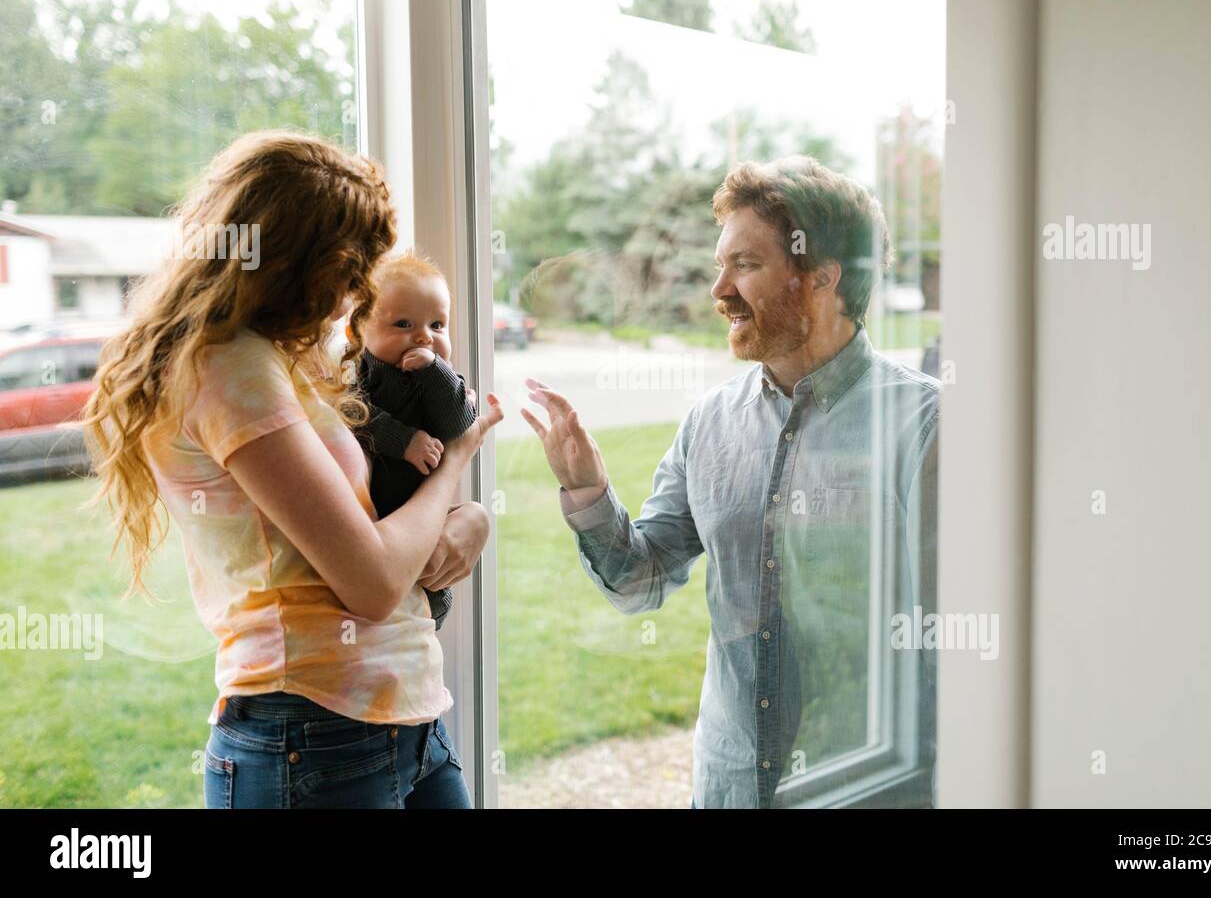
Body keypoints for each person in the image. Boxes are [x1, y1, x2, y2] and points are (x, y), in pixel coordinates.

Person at [80, 130, 502, 808]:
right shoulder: (229, 368)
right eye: (350, 270)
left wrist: (471, 519)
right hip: (311, 731)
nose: (355, 294)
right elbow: (369, 582)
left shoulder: (279, 359)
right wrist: (456, 460)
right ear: (305, 262)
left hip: (401, 722)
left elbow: (366, 519)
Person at [522, 156, 940, 809]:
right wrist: (586, 488)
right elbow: (641, 580)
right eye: (721, 266)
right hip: (729, 788)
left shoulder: (925, 426)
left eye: (745, 265)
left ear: (822, 276)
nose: (718, 291)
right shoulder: (709, 421)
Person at [348, 249, 478, 629]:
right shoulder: (360, 370)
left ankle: (433, 612)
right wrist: (404, 440)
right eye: (403, 324)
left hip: (423, 516)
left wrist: (434, 370)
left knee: (431, 581)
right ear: (359, 332)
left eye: (438, 325)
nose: (424, 336)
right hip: (373, 522)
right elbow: (353, 415)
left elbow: (459, 424)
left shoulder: (440, 379)